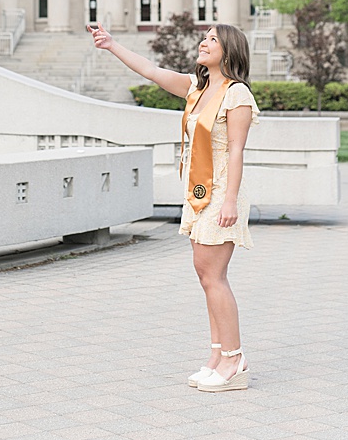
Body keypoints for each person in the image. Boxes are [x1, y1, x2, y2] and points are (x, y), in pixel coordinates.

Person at [87, 22, 259, 393]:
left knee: (215, 275)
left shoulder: (237, 95)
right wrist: (112, 45)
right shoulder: (197, 88)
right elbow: (150, 71)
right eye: (205, 37)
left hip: (221, 191)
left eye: (213, 39)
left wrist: (229, 199)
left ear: (228, 51)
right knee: (204, 273)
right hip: (198, 190)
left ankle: (235, 359)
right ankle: (217, 355)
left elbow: (236, 149)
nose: (204, 42)